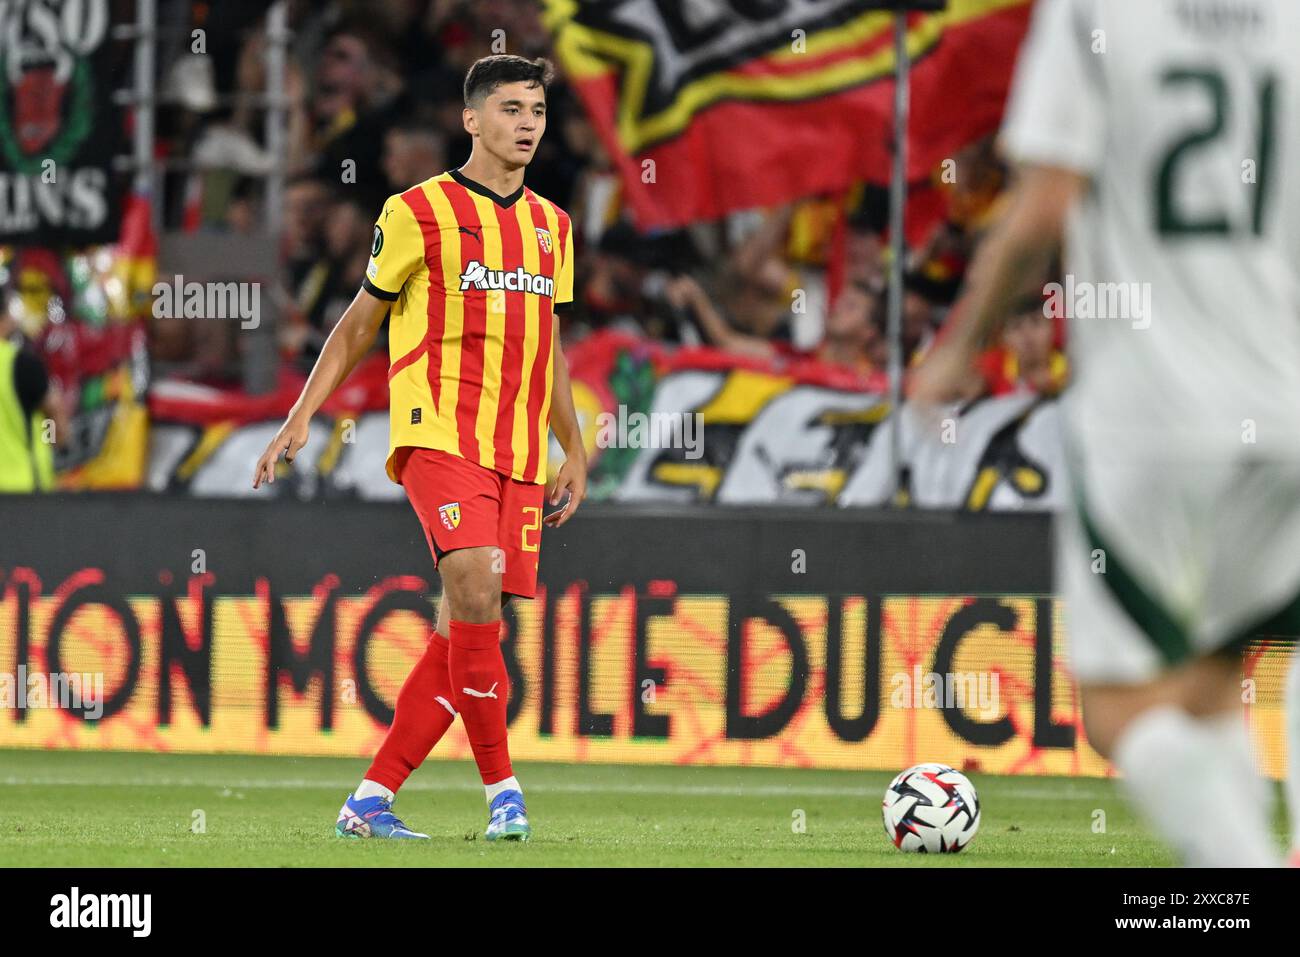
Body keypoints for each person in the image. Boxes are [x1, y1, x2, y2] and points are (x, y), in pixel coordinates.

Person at [911, 0, 1300, 867]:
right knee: (1210, 685)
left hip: (1152, 408)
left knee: (1121, 707)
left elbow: (1044, 205)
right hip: (1283, 400)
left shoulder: (1097, 13)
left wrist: (960, 347)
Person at [253, 54, 586, 843]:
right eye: (510, 108)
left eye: (536, 109)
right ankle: (505, 792)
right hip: (439, 433)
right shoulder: (416, 212)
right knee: (473, 588)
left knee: (463, 631)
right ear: (471, 120)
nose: (528, 123)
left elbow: (551, 348)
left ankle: (369, 800)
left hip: (517, 452)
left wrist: (572, 447)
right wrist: (304, 411)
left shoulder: (554, 228)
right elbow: (360, 322)